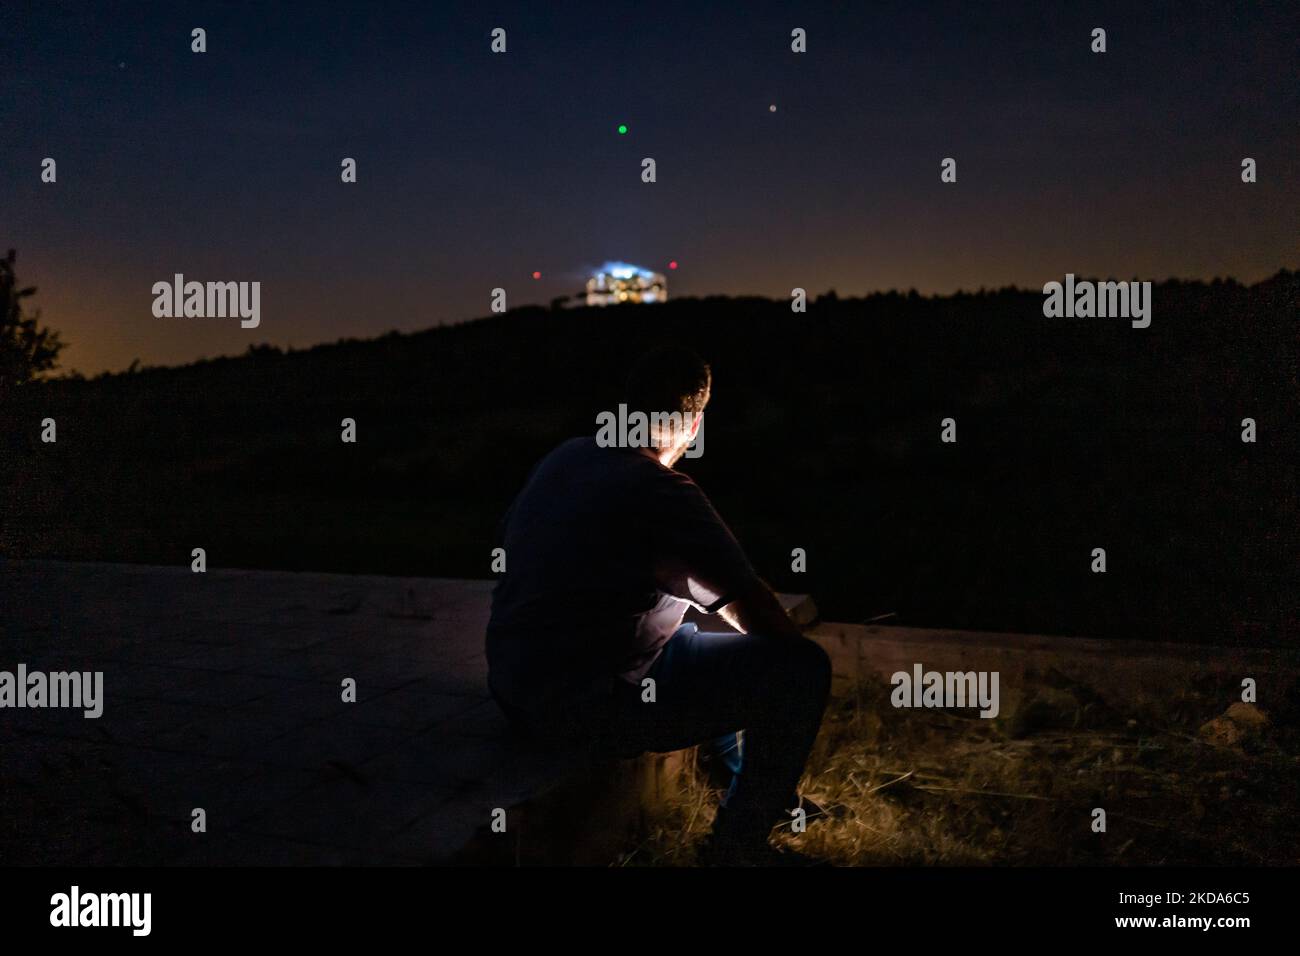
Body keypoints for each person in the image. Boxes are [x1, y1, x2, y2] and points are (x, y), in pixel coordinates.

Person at [485, 346, 831, 864]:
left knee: (695, 639)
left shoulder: (567, 456)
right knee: (799, 669)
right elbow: (761, 619)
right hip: (583, 708)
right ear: (694, 425)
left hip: (513, 688)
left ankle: (753, 787)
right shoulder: (665, 491)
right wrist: (745, 612)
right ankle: (737, 845)